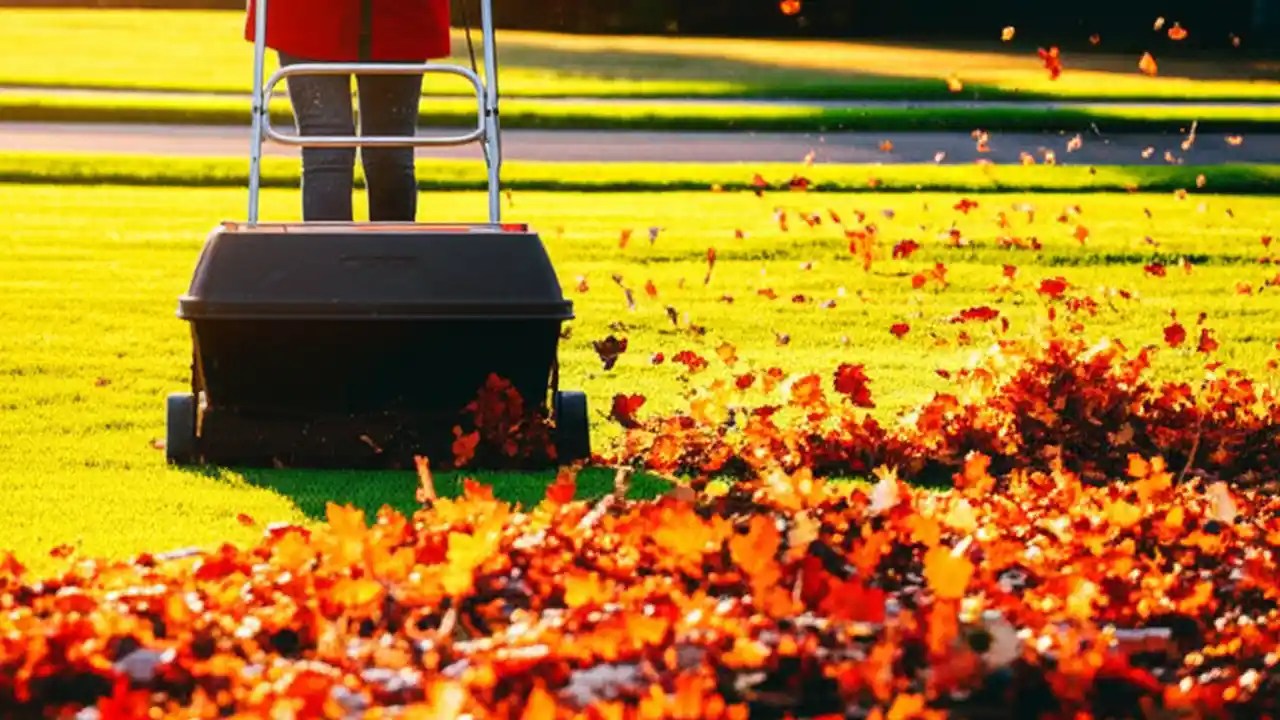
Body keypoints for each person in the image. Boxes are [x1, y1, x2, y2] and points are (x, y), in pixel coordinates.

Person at [244, 0, 452, 222]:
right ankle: (345, 245)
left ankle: (383, 245)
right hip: (310, 14)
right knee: (335, 150)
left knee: (382, 152)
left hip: (396, 16)